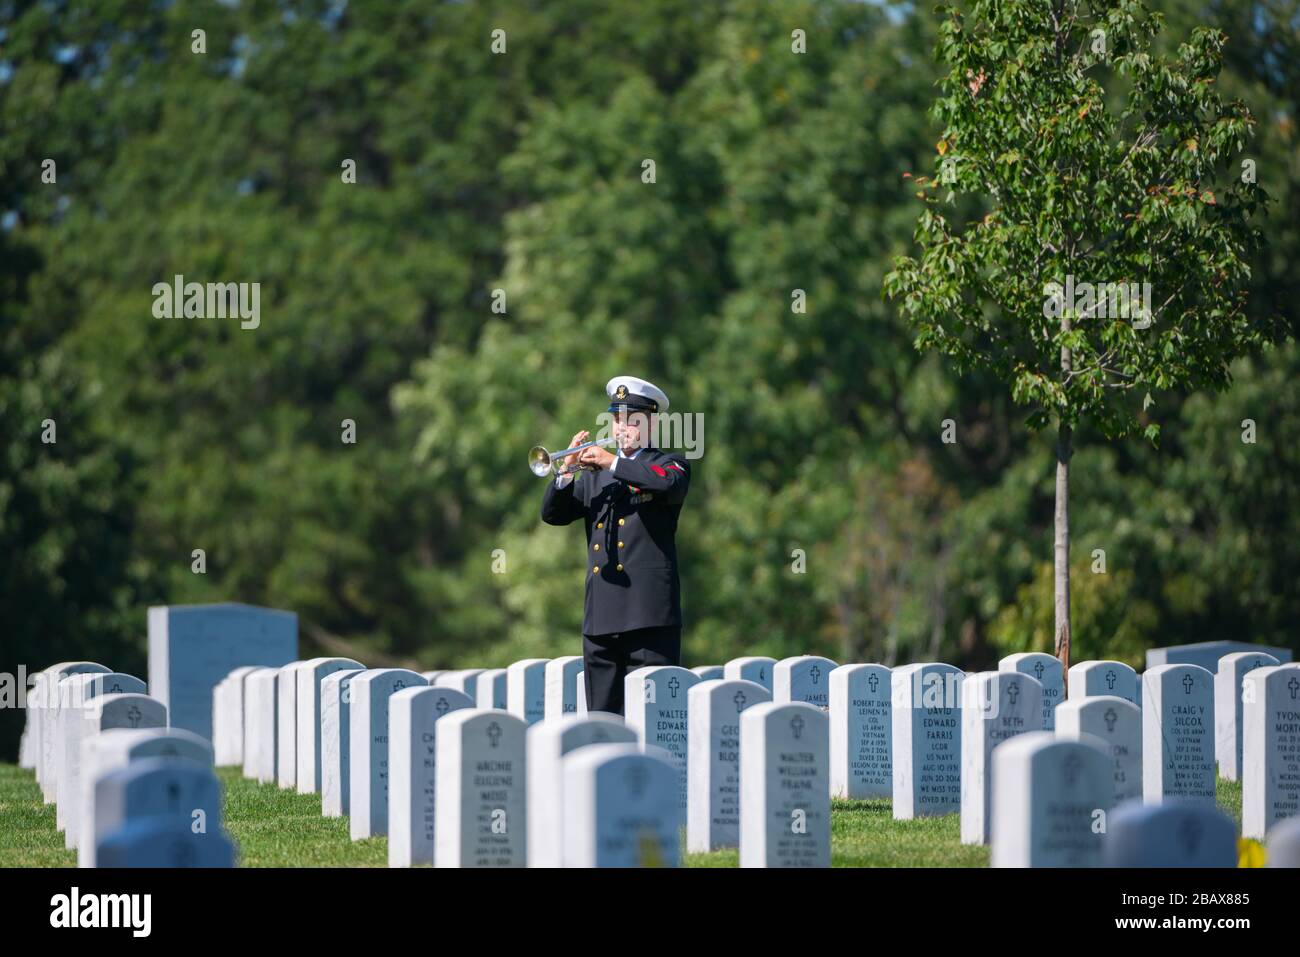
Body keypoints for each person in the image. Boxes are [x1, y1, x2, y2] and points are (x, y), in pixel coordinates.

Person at [540, 376, 690, 715]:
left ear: (651, 423)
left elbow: (664, 484)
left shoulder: (671, 463)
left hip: (649, 616)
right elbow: (553, 514)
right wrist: (565, 473)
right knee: (603, 720)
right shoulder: (594, 476)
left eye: (632, 419)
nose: (622, 426)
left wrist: (612, 462)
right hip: (601, 618)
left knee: (652, 720)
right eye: (618, 419)